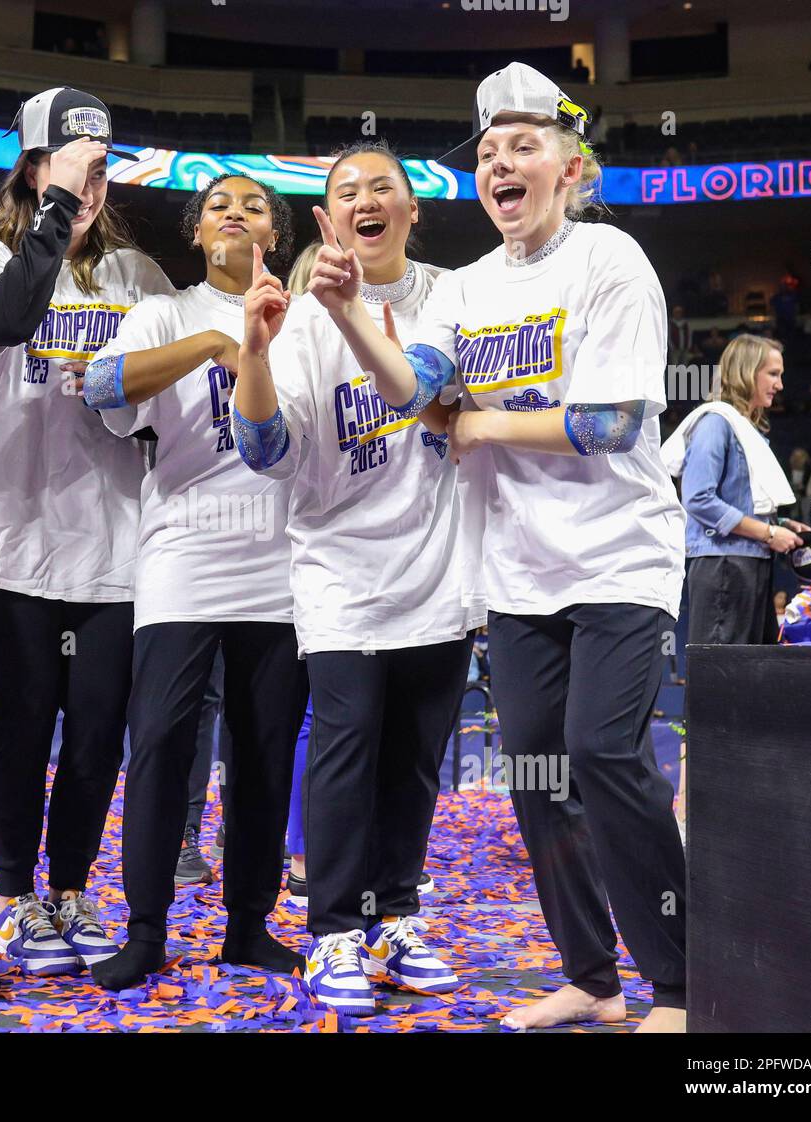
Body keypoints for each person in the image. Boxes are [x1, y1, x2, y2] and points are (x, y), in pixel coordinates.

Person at [359, 64, 689, 1031]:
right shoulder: (462, 289)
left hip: (619, 555)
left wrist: (483, 425)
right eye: (488, 151)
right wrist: (348, 317)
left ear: (570, 165)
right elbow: (417, 389)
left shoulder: (612, 261)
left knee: (602, 752)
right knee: (539, 771)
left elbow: (609, 423)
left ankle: (680, 981)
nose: (500, 162)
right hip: (516, 569)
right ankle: (592, 976)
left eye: (523, 144)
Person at [232, 140, 483, 1017]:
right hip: (339, 572)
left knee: (414, 763)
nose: (367, 201)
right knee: (344, 751)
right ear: (327, 221)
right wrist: (256, 355)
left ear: (411, 212)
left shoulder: (452, 294)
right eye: (348, 193)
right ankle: (335, 929)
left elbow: (421, 390)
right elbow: (265, 454)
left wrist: (347, 313)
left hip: (440, 568)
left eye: (386, 188)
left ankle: (394, 915)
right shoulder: (299, 320)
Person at [0, 88, 174, 977]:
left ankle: (70, 890)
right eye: (72, 165)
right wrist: (58, 217)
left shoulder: (139, 277)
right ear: (33, 167)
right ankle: (12, 898)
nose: (91, 182)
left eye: (102, 168)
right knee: (24, 716)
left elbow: (167, 402)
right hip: (9, 527)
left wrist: (125, 395)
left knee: (99, 723)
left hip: (113, 535)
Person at [81, 172, 307, 990]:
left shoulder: (306, 321)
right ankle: (146, 930)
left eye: (254, 207)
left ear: (274, 237)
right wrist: (219, 344)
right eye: (219, 206)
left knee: (264, 752)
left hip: (283, 564)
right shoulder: (162, 314)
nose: (237, 215)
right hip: (180, 556)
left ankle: (249, 925)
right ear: (197, 233)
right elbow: (98, 387)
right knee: (163, 747)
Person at [663, 335, 807, 644]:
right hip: (724, 567)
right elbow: (698, 499)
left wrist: (779, 525)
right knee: (722, 681)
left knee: (749, 679)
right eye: (772, 373)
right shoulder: (716, 423)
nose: (780, 385)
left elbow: (738, 502)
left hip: (750, 564)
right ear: (745, 371)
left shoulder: (745, 428)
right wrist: (768, 534)